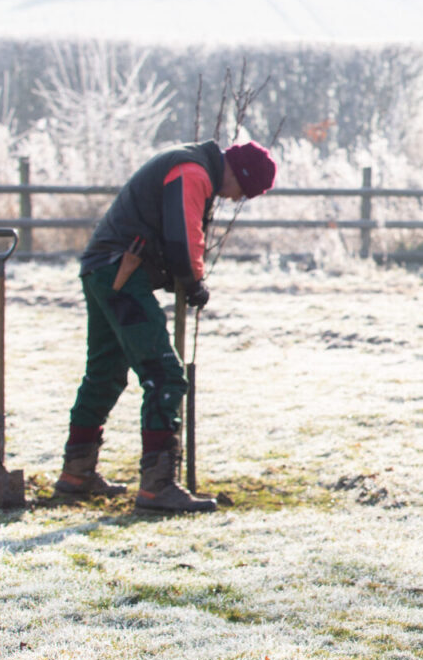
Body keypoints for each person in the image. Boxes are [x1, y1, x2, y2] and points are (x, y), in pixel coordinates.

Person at [54, 139, 276, 513]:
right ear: (239, 173)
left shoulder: (188, 162)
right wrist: (193, 281)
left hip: (103, 268)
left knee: (105, 373)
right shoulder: (193, 172)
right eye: (244, 192)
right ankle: (158, 487)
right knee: (165, 376)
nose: (237, 200)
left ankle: (76, 474)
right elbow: (182, 234)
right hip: (121, 271)